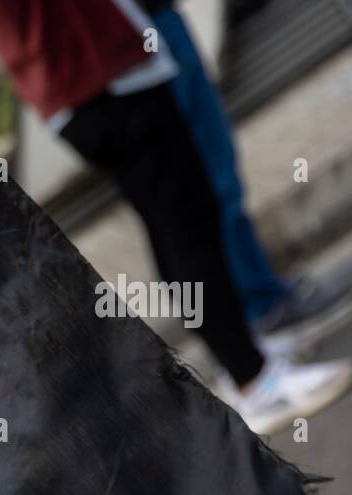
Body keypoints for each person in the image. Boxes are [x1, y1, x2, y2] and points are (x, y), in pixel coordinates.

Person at [0, 0, 352, 435]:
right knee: (185, 225)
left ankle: (247, 359)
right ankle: (253, 379)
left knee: (184, 220)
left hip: (97, 78)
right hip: (101, 79)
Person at [139, 0, 352, 352]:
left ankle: (261, 306)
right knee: (205, 179)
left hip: (145, 30)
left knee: (212, 172)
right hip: (140, 36)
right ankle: (260, 313)